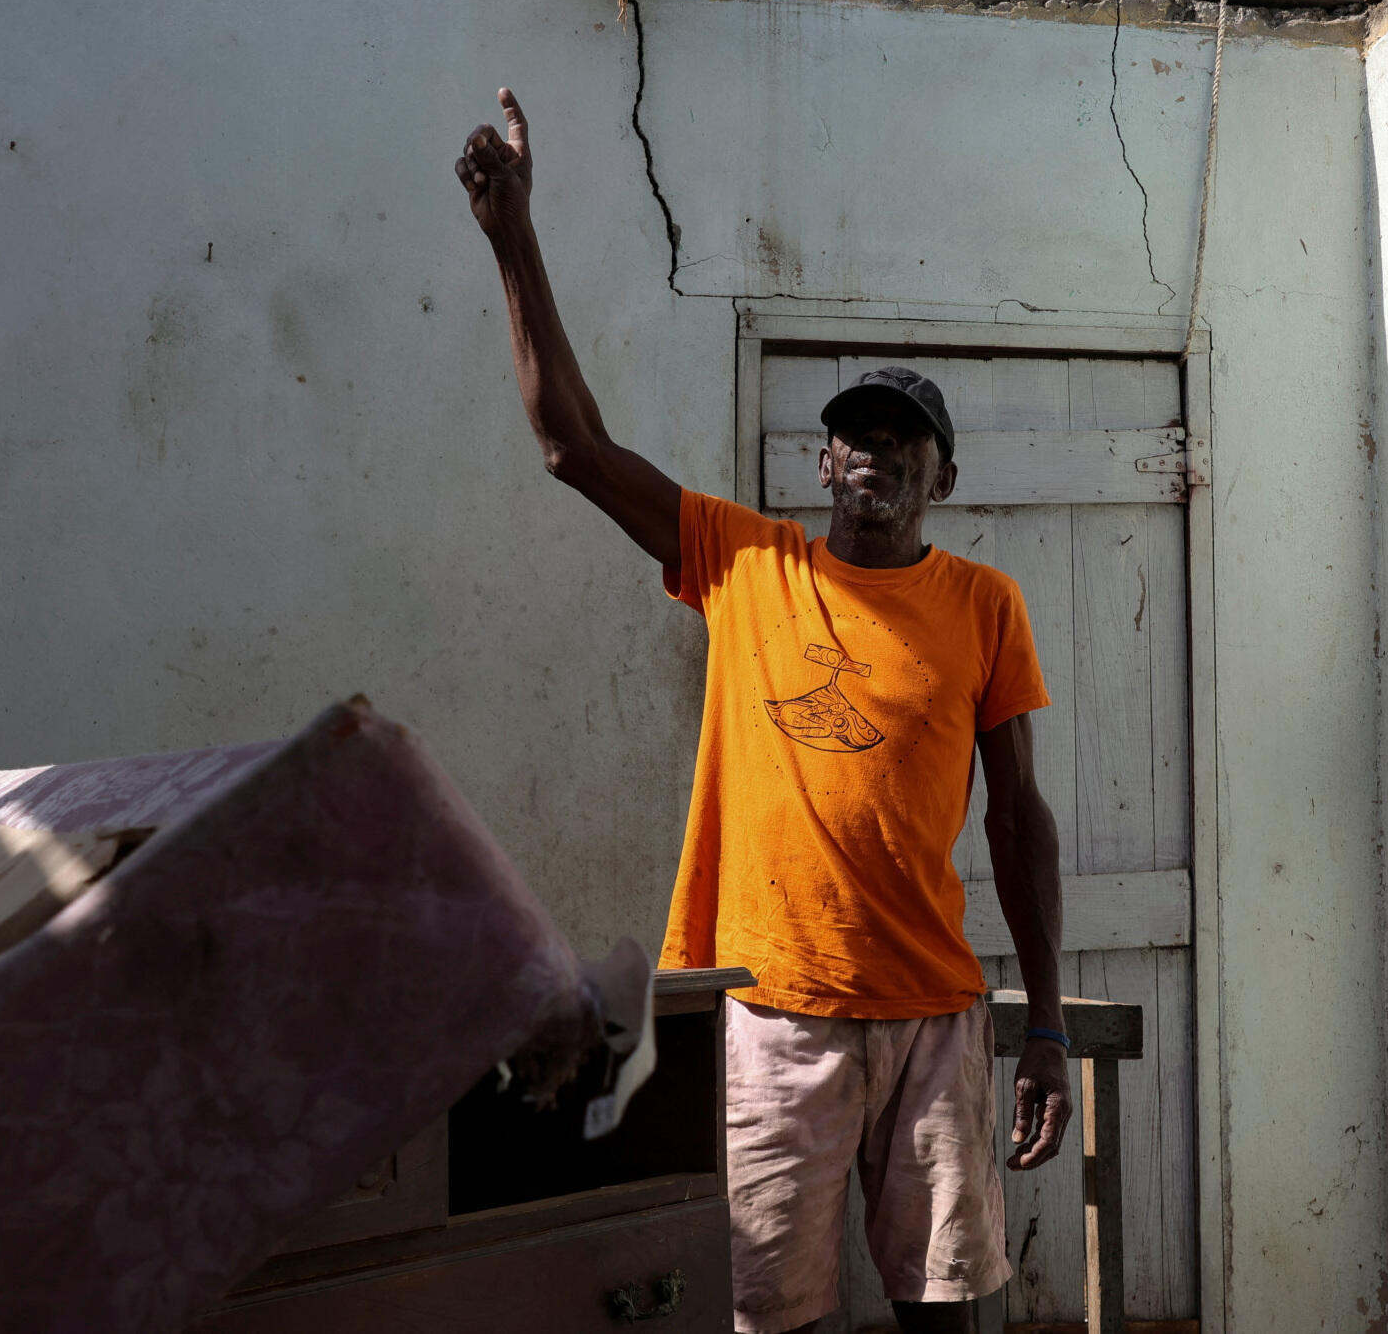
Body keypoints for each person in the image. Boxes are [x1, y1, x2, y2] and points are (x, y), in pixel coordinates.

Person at [458, 89, 1072, 1334]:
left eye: (904, 440)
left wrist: (1049, 1026)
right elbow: (572, 446)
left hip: (932, 1018)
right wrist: (512, 235)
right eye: (855, 436)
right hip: (772, 1012)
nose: (877, 453)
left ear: (944, 475)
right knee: (768, 1314)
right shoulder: (743, 561)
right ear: (820, 464)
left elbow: (1016, 820)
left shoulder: (983, 604)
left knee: (942, 1310)